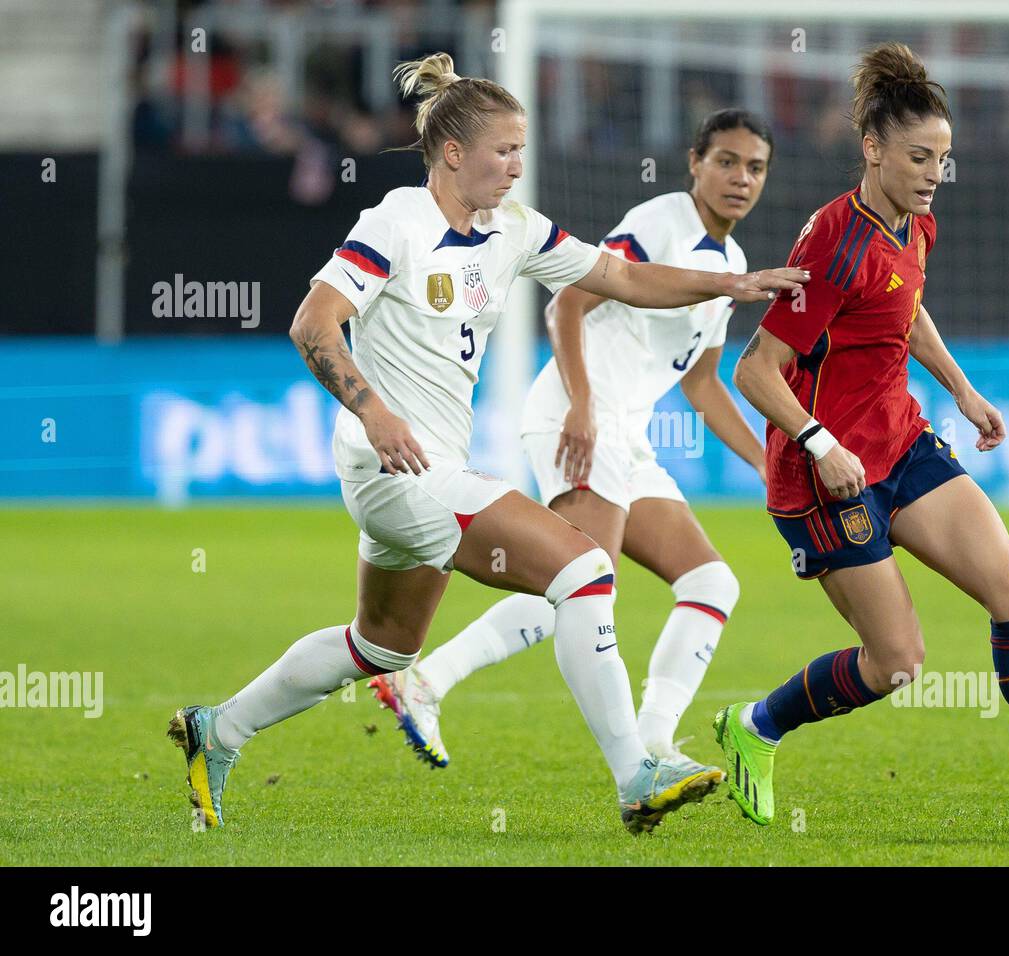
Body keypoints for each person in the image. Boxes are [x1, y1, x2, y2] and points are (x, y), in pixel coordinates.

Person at [167, 53, 808, 835]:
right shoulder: (397, 221)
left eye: (521, 151)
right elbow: (313, 321)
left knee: (383, 646)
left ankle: (218, 730)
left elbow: (623, 279)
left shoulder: (516, 231)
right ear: (452, 153)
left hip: (430, 469)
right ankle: (636, 773)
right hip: (393, 463)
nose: (515, 166)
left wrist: (731, 286)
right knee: (584, 568)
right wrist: (373, 408)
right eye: (503, 151)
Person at [713, 43, 1009, 832]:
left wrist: (964, 391)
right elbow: (755, 370)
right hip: (825, 475)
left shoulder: (915, 224)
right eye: (918, 155)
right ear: (871, 148)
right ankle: (754, 727)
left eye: (943, 157)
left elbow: (903, 310)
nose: (934, 171)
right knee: (898, 665)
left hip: (900, 445)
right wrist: (818, 442)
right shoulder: (835, 242)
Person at [370, 109, 774, 770]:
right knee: (583, 584)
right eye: (726, 161)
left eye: (754, 167)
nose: (740, 177)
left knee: (710, 584)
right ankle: (424, 682)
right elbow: (566, 301)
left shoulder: (731, 261)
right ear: (695, 164)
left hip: (626, 434)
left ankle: (655, 742)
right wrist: (583, 405)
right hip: (578, 417)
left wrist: (765, 463)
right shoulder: (662, 220)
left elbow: (702, 383)